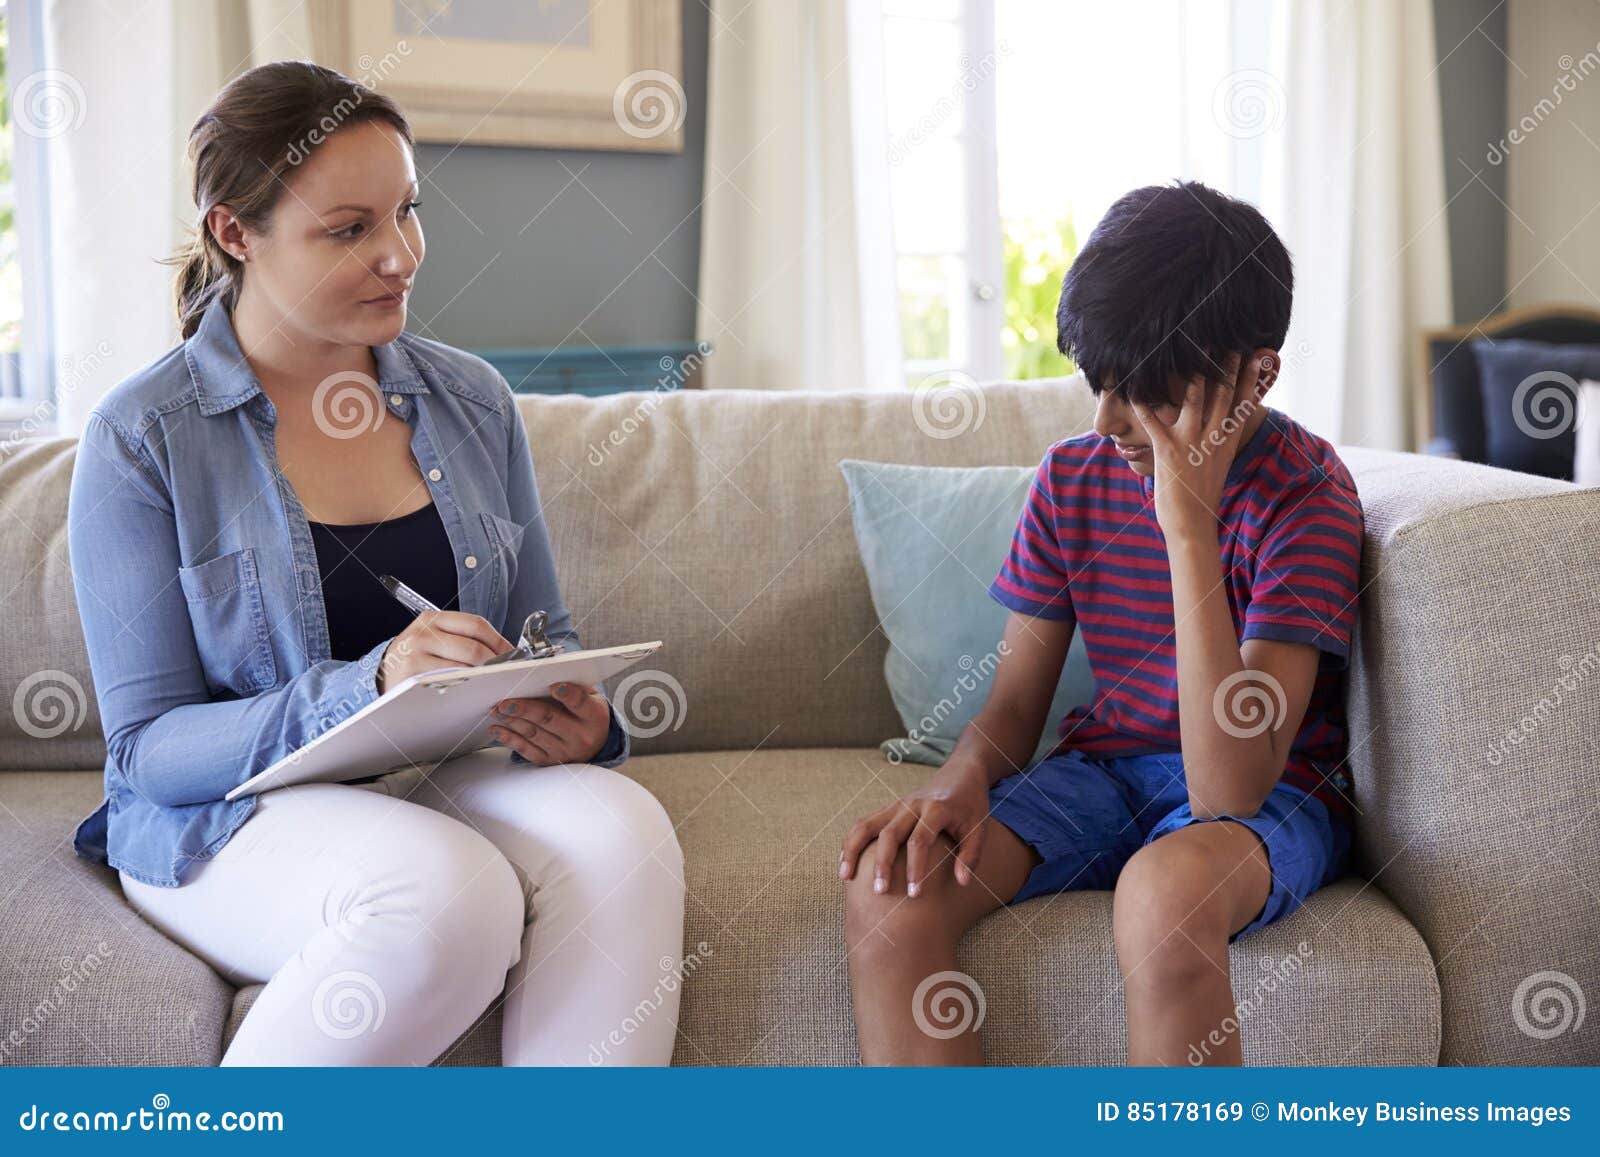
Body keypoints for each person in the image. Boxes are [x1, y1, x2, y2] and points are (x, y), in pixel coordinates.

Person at [67, 61, 684, 1066]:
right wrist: (370, 682)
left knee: (624, 831)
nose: (398, 255)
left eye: (407, 212)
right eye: (348, 229)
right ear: (236, 233)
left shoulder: (471, 402)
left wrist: (578, 713)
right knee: (452, 894)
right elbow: (147, 751)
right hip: (229, 815)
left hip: (442, 772)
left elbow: (546, 636)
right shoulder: (144, 436)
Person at [838, 181, 1363, 1066]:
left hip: (1272, 796)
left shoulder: (1306, 497)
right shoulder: (1072, 479)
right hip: (1103, 775)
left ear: (1256, 374)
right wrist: (959, 781)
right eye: (1098, 384)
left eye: (1146, 392)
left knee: (1167, 897)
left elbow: (1227, 790)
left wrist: (1186, 522)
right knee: (893, 889)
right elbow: (1011, 708)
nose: (1107, 421)